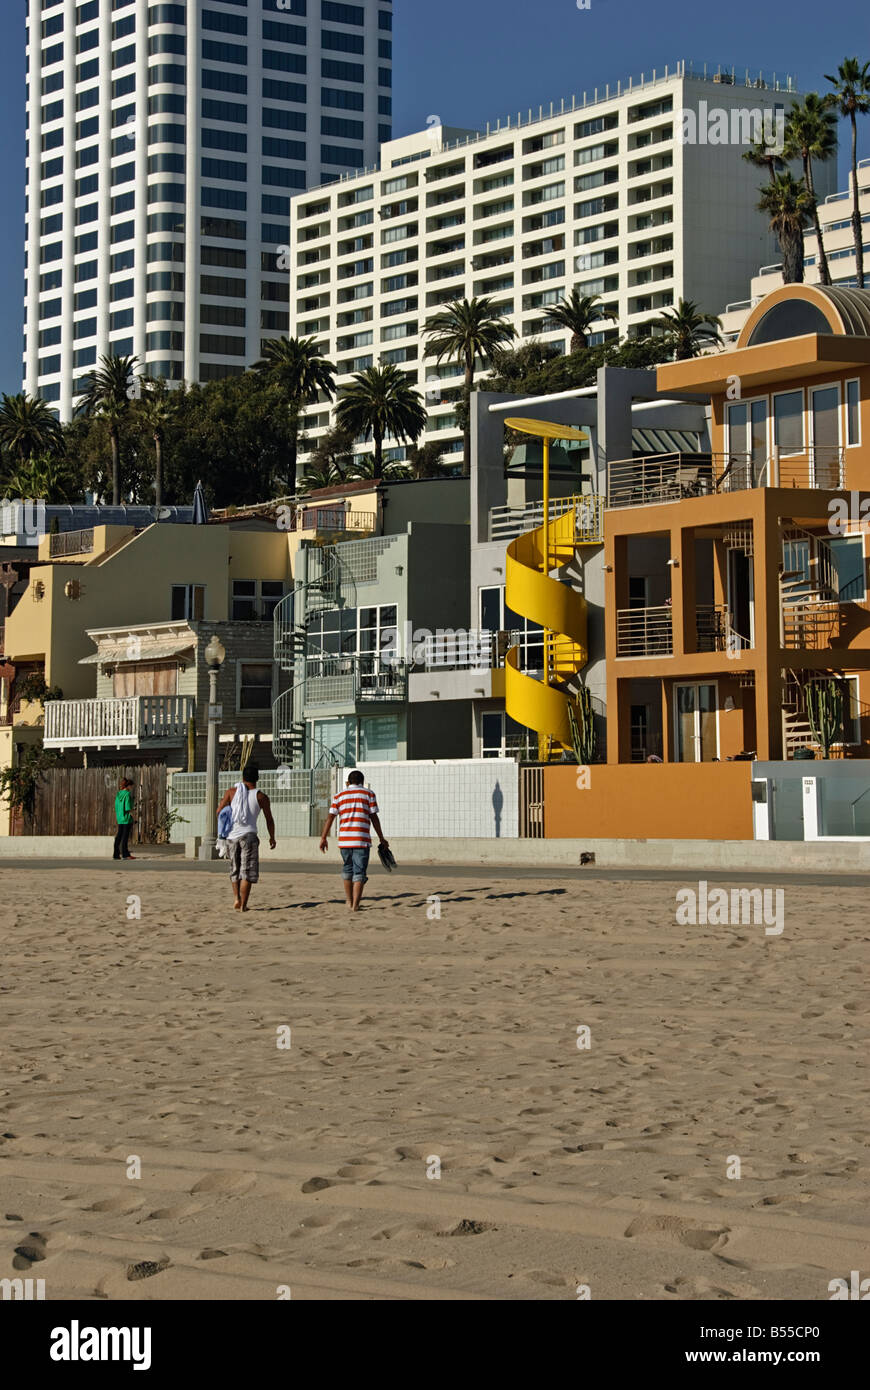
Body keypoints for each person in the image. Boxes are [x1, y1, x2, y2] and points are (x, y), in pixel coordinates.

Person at [319, 769, 388, 912]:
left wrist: (324, 837)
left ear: (348, 782)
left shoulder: (339, 795)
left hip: (344, 840)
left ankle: (349, 901)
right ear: (362, 782)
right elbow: (374, 818)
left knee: (347, 868)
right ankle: (356, 905)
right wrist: (381, 838)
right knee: (359, 872)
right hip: (361, 840)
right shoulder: (369, 794)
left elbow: (331, 817)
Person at [216, 763, 276, 911]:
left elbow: (219, 811)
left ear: (242, 777)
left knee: (235, 869)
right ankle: (243, 905)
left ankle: (236, 898)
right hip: (249, 836)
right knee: (247, 872)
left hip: (232, 836)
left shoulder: (231, 792)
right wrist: (272, 837)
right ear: (257, 778)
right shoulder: (261, 796)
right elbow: (269, 819)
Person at [113, 777, 135, 860]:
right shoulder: (127, 794)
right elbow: (128, 808)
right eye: (131, 786)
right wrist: (133, 816)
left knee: (119, 836)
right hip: (126, 818)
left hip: (119, 817)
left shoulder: (118, 794)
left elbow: (116, 806)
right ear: (128, 786)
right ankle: (125, 854)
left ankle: (116, 854)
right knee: (125, 837)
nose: (131, 788)